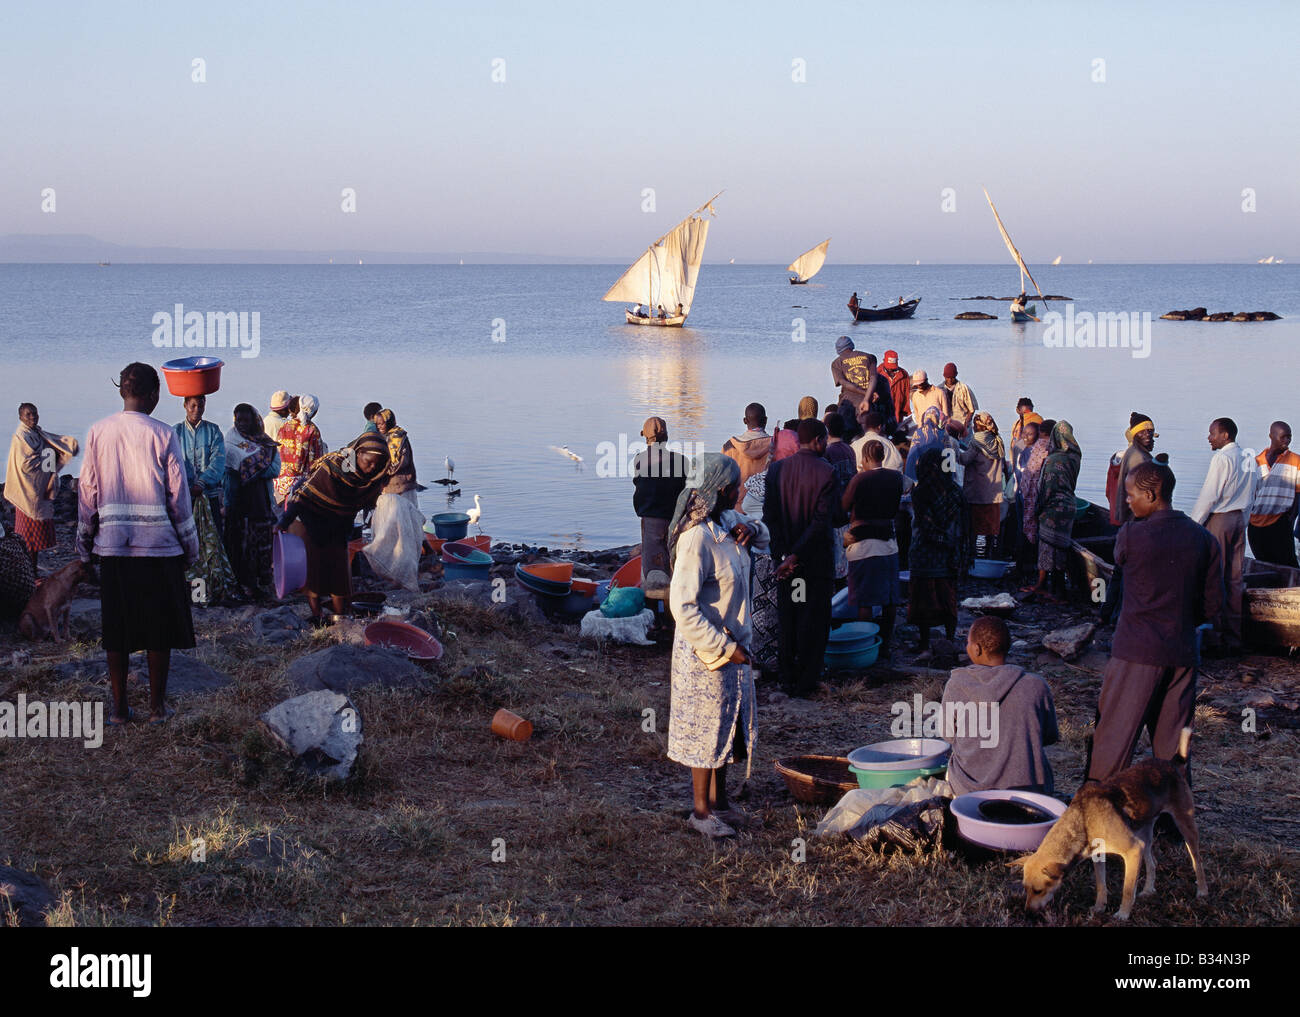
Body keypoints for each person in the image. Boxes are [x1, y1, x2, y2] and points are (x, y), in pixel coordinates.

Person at [76, 364, 199, 725]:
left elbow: (87, 494)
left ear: (122, 392)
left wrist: (84, 545)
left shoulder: (98, 432)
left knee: (117, 630)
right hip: (159, 549)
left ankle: (119, 710)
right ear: (154, 395)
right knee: (159, 630)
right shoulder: (163, 434)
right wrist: (191, 548)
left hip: (113, 548)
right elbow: (179, 498)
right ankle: (157, 708)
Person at [1086, 462, 1222, 782]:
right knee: (1174, 747)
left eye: (1131, 495)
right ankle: (1175, 811)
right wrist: (1181, 621)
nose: (1127, 501)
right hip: (1182, 652)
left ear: (1151, 494)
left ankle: (1098, 802)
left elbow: (1120, 578)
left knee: (1113, 740)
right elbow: (1212, 606)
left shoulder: (1131, 535)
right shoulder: (1204, 539)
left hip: (1136, 652)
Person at [667, 453, 768, 839]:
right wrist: (722, 647)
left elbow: (766, 536)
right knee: (704, 730)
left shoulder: (726, 522)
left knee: (728, 725)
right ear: (719, 490)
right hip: (704, 651)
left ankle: (721, 803)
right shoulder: (696, 538)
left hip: (733, 644)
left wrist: (751, 529)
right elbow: (683, 606)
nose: (739, 492)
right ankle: (701, 811)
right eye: (735, 488)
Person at [764, 419, 846, 696]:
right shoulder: (827, 472)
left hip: (787, 565)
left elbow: (770, 518)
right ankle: (807, 679)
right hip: (814, 562)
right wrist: (796, 555)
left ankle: (787, 676)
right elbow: (824, 521)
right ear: (819, 440)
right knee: (814, 619)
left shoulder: (776, 470)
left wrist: (783, 556)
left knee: (789, 616)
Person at [277, 432, 391, 625]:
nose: (372, 467)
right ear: (358, 453)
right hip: (309, 519)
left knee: (339, 573)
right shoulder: (333, 467)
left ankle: (340, 617)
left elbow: (368, 505)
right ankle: (317, 615)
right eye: (368, 462)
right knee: (313, 572)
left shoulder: (374, 479)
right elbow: (302, 496)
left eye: (377, 464)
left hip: (339, 524)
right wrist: (283, 521)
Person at [942, 616, 1059, 796]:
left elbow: (948, 735)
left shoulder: (956, 685)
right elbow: (1049, 737)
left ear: (976, 649)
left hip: (969, 792)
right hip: (1029, 793)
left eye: (968, 642)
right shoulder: (1036, 685)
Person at [1189, 417, 1255, 653]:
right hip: (1239, 519)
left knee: (1214, 577)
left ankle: (1215, 638)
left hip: (1221, 519)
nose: (1209, 438)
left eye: (1212, 433)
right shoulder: (1248, 457)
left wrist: (1193, 525)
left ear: (1225, 435)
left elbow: (1209, 496)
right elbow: (1252, 491)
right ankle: (1234, 637)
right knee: (1235, 579)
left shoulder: (1222, 458)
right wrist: (1243, 520)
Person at [842, 440, 904, 656]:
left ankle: (865, 644)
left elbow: (843, 506)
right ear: (883, 457)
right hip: (888, 543)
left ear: (865, 458)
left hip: (863, 545)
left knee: (864, 600)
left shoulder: (859, 479)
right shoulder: (896, 477)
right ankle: (885, 645)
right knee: (890, 599)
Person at [4, 403, 79, 572]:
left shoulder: (36, 432)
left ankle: (32, 570)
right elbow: (26, 465)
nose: (33, 417)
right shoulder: (21, 437)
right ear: (20, 417)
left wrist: (56, 453)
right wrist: (49, 459)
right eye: (28, 414)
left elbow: (49, 449)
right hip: (26, 493)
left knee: (35, 539)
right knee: (27, 538)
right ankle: (29, 571)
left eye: (35, 413)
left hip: (37, 494)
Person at [1101, 413, 1155, 624]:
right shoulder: (1139, 458)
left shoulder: (1134, 453)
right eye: (1143, 432)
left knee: (1120, 570)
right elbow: (1145, 495)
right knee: (1130, 572)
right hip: (1136, 521)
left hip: (1127, 521)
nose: (1148, 435)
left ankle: (1107, 614)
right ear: (1134, 435)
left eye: (1151, 432)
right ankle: (1119, 617)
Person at [909, 448, 963, 659]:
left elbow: (925, 525)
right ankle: (950, 639)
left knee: (924, 598)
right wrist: (950, 543)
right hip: (949, 554)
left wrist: (939, 539)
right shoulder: (955, 490)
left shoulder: (921, 491)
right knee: (948, 597)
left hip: (925, 554)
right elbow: (961, 525)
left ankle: (924, 643)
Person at [223, 404, 281, 599]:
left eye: (246, 420)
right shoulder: (231, 440)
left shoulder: (266, 442)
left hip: (260, 502)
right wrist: (256, 467)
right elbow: (228, 472)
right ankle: (243, 585)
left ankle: (258, 584)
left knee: (260, 543)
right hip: (238, 502)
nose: (242, 424)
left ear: (254, 421)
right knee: (240, 544)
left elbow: (275, 469)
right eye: (238, 420)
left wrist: (251, 470)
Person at [366, 408, 425, 591]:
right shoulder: (387, 437)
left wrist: (377, 473)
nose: (379, 426)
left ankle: (402, 568)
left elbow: (397, 464)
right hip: (390, 488)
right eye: (377, 424)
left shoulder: (397, 438)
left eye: (382, 423)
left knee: (402, 530)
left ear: (389, 422)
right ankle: (391, 566)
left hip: (399, 488)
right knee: (394, 528)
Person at [1026, 420, 1081, 600]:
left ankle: (1047, 587)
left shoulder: (1053, 459)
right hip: (1069, 505)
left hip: (1053, 508)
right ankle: (1058, 590)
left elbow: (1046, 488)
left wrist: (1038, 508)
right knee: (1061, 548)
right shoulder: (1075, 457)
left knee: (1047, 547)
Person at [633, 416, 689, 589]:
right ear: (666, 437)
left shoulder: (639, 459)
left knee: (651, 567)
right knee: (674, 561)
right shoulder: (681, 460)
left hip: (650, 518)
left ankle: (652, 595)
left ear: (645, 437)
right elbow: (687, 490)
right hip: (675, 518)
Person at [1247, 421, 1300, 567]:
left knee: (1288, 564)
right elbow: (1250, 494)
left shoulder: (1296, 461)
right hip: (1255, 523)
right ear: (1271, 436)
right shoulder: (1257, 462)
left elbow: (1298, 494)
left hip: (1280, 522)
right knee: (1262, 563)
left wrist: (1290, 519)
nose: (1287, 440)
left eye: (1289, 437)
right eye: (1283, 437)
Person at [958, 411, 1008, 560]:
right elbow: (1004, 465)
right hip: (994, 494)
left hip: (977, 493)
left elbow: (964, 460)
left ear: (977, 426)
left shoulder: (976, 442)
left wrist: (952, 446)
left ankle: (973, 558)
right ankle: (990, 556)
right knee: (991, 530)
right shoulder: (998, 440)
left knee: (974, 529)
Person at [174, 394, 226, 527]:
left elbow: (218, 460)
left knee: (213, 535)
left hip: (209, 495)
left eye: (200, 406)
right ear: (185, 405)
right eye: (193, 406)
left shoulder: (213, 431)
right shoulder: (175, 432)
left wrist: (202, 482)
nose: (197, 409)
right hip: (184, 497)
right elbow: (172, 463)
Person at [274, 393, 326, 508]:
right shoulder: (312, 430)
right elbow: (315, 461)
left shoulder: (285, 426)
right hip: (300, 483)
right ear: (313, 412)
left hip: (281, 481)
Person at [831, 337, 892, 434]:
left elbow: (845, 383)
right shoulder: (869, 357)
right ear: (852, 346)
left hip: (848, 405)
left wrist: (864, 393)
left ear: (838, 350)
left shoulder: (836, 363)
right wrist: (867, 397)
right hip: (870, 404)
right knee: (869, 433)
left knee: (848, 435)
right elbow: (873, 378)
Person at [720, 402, 773, 507]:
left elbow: (722, 482)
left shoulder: (730, 446)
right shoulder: (776, 445)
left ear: (745, 421)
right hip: (764, 509)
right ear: (765, 420)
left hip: (736, 509)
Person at [1013, 415, 1047, 577]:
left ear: (1038, 436)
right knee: (1022, 528)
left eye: (1030, 434)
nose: (1026, 437)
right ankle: (1022, 564)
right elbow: (1015, 449)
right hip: (1020, 494)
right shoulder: (1021, 447)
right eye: (1024, 433)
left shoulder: (1037, 451)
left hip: (1030, 496)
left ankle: (1028, 564)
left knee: (1029, 529)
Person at [852, 410, 906, 475]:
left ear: (866, 426)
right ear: (880, 427)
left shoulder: (854, 445)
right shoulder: (887, 444)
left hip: (860, 480)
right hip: (884, 480)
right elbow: (897, 466)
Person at [941, 362, 978, 433]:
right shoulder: (939, 389)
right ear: (944, 376)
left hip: (962, 425)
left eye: (952, 377)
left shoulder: (964, 388)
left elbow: (971, 410)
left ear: (956, 375)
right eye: (947, 377)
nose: (950, 380)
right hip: (946, 427)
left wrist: (965, 425)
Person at [879, 350, 911, 425]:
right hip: (881, 410)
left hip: (897, 408)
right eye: (889, 367)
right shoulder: (877, 372)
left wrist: (905, 410)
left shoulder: (904, 374)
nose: (890, 369)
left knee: (896, 427)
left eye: (892, 367)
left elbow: (906, 394)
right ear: (884, 361)